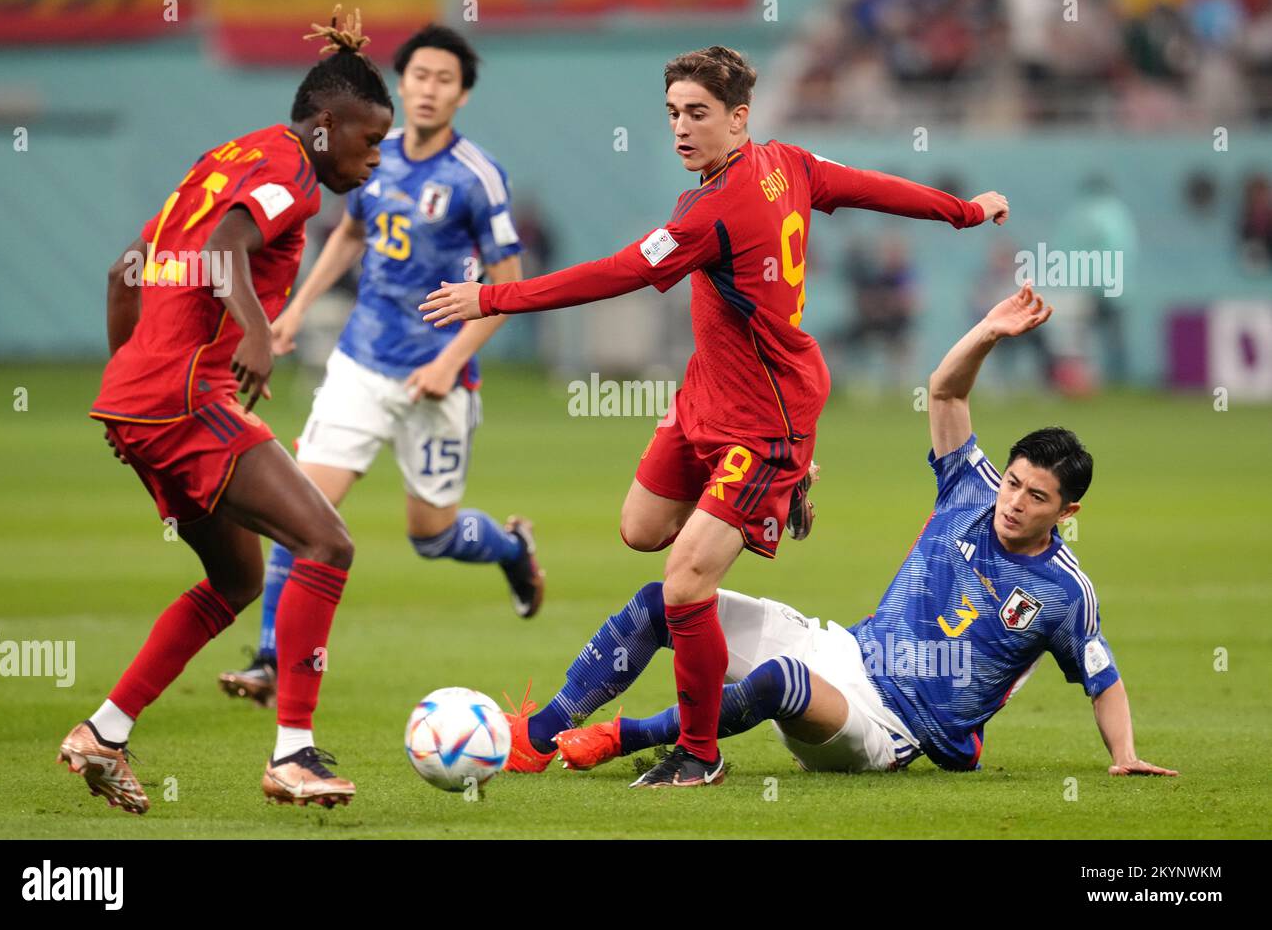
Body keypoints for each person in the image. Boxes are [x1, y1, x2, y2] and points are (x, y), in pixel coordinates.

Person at [422, 45, 1009, 787]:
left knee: (686, 582)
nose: (680, 128)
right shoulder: (786, 163)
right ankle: (777, 491)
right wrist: (961, 211)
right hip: (706, 397)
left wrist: (492, 297)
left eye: (697, 113)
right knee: (640, 529)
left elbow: (619, 273)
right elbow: (868, 188)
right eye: (671, 113)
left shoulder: (713, 209)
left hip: (766, 418)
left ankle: (696, 752)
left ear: (738, 118)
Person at [546, 284, 1176, 782]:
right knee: (665, 603)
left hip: (888, 726)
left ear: (1065, 513)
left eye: (1036, 497)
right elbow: (945, 392)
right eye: (1013, 482)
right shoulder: (970, 491)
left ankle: (635, 739)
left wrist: (1122, 753)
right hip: (847, 653)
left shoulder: (1066, 591)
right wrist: (988, 332)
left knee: (777, 681)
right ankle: (543, 731)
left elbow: (1103, 677)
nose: (1012, 502)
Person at [62, 7, 394, 813]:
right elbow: (224, 251)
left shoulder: (223, 160)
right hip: (183, 394)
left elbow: (123, 274)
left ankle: (103, 732)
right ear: (325, 126)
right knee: (327, 541)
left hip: (145, 398)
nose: (374, 161)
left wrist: (125, 393)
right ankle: (293, 755)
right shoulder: (292, 175)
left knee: (237, 578)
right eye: (368, 141)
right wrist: (253, 329)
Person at [218, 24, 542, 708]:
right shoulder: (375, 154)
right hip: (362, 363)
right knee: (302, 507)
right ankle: (271, 659)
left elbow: (507, 289)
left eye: (444, 79)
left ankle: (512, 549)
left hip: (436, 381)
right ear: (401, 83)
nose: (428, 88)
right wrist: (298, 308)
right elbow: (352, 233)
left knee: (433, 536)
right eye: (419, 75)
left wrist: (450, 361)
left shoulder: (477, 178)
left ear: (462, 95)